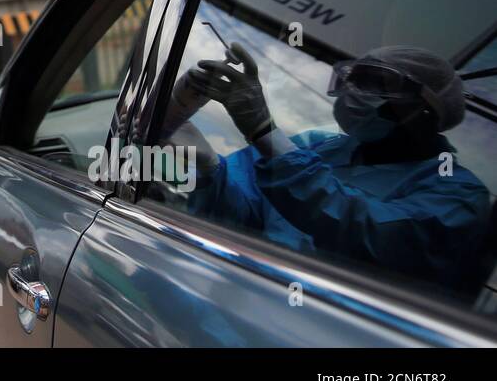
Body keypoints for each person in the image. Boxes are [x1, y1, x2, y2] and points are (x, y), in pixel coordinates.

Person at [165, 43, 490, 293]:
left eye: (375, 84)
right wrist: (211, 170)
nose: (353, 93)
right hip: (229, 309)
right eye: (352, 80)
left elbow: (368, 235)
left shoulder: (458, 194)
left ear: (425, 110)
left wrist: (265, 132)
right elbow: (241, 220)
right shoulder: (318, 146)